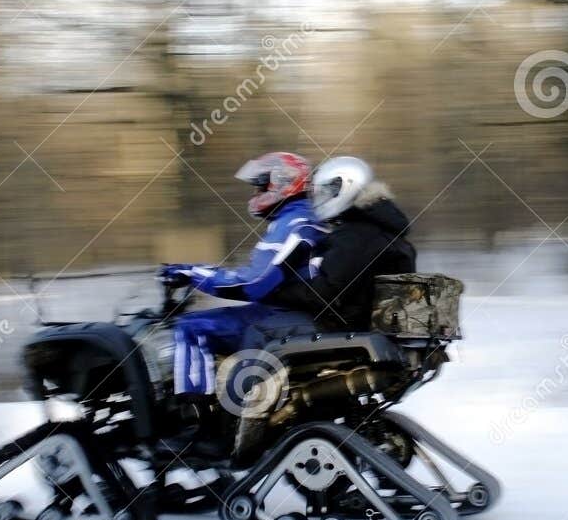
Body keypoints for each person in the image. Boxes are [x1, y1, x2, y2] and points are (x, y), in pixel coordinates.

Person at [161, 152, 324, 397]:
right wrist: (201, 272)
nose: (255, 195)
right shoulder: (297, 219)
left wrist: (192, 274)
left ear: (282, 183)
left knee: (191, 328)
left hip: (284, 314)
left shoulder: (295, 224)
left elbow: (255, 283)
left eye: (259, 188)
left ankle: (194, 415)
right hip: (285, 310)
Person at [271, 155, 416, 332]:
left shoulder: (356, 235)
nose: (321, 199)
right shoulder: (383, 228)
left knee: (257, 329)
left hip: (347, 327)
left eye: (326, 192)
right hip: (367, 325)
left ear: (344, 188)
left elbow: (324, 295)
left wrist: (276, 289)